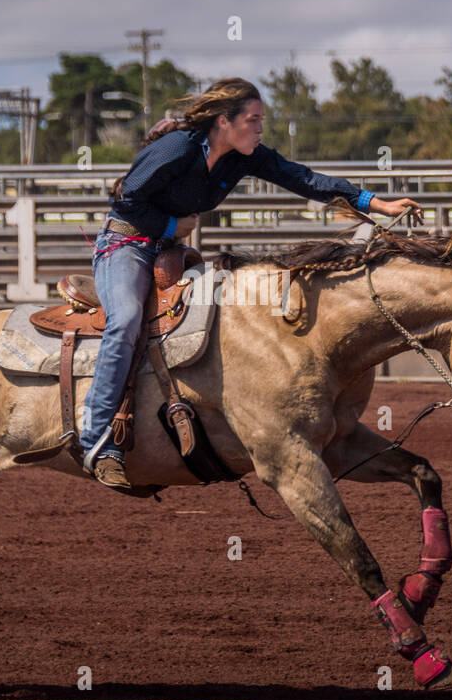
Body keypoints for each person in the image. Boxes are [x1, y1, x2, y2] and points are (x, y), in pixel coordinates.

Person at [80, 77, 423, 490]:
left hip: (168, 247)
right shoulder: (178, 147)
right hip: (125, 243)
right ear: (224, 122)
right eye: (254, 120)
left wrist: (372, 202)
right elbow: (126, 197)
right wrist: (172, 224)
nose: (261, 128)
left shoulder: (242, 156)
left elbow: (302, 178)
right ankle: (97, 440)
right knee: (126, 320)